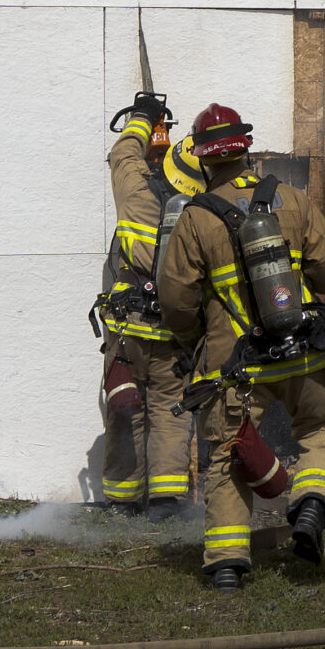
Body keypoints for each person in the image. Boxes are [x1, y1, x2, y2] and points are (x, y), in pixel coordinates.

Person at [157, 102, 325, 594]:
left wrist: (192, 338)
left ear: (203, 160)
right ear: (247, 150)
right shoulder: (293, 200)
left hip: (237, 364)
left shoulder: (195, 219)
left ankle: (226, 565)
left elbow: (176, 303)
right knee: (322, 430)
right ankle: (309, 504)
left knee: (227, 455)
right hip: (304, 348)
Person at [94, 92, 202, 522]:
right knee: (171, 413)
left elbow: (122, 153)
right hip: (176, 332)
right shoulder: (206, 214)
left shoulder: (135, 192)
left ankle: (122, 502)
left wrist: (142, 118)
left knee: (126, 410)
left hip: (128, 331)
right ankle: (166, 502)